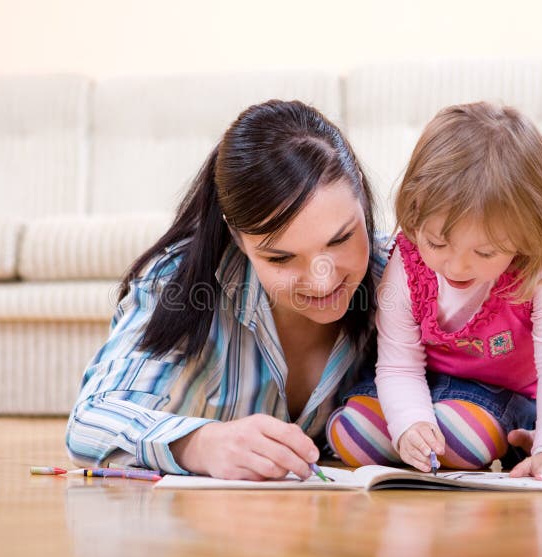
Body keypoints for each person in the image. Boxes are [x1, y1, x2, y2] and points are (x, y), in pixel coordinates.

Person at [65, 99, 384, 480]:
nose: (322, 280)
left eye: (341, 239)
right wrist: (199, 444)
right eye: (281, 259)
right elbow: (89, 420)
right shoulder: (178, 282)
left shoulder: (404, 279)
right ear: (238, 236)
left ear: (363, 202)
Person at [325, 101, 542, 483]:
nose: (457, 267)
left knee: (466, 438)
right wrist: (410, 424)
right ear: (415, 215)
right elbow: (399, 364)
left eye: (485, 252)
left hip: (499, 392)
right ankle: (427, 436)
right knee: (348, 429)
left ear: (528, 235)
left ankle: (503, 434)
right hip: (421, 382)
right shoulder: (407, 262)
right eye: (437, 243)